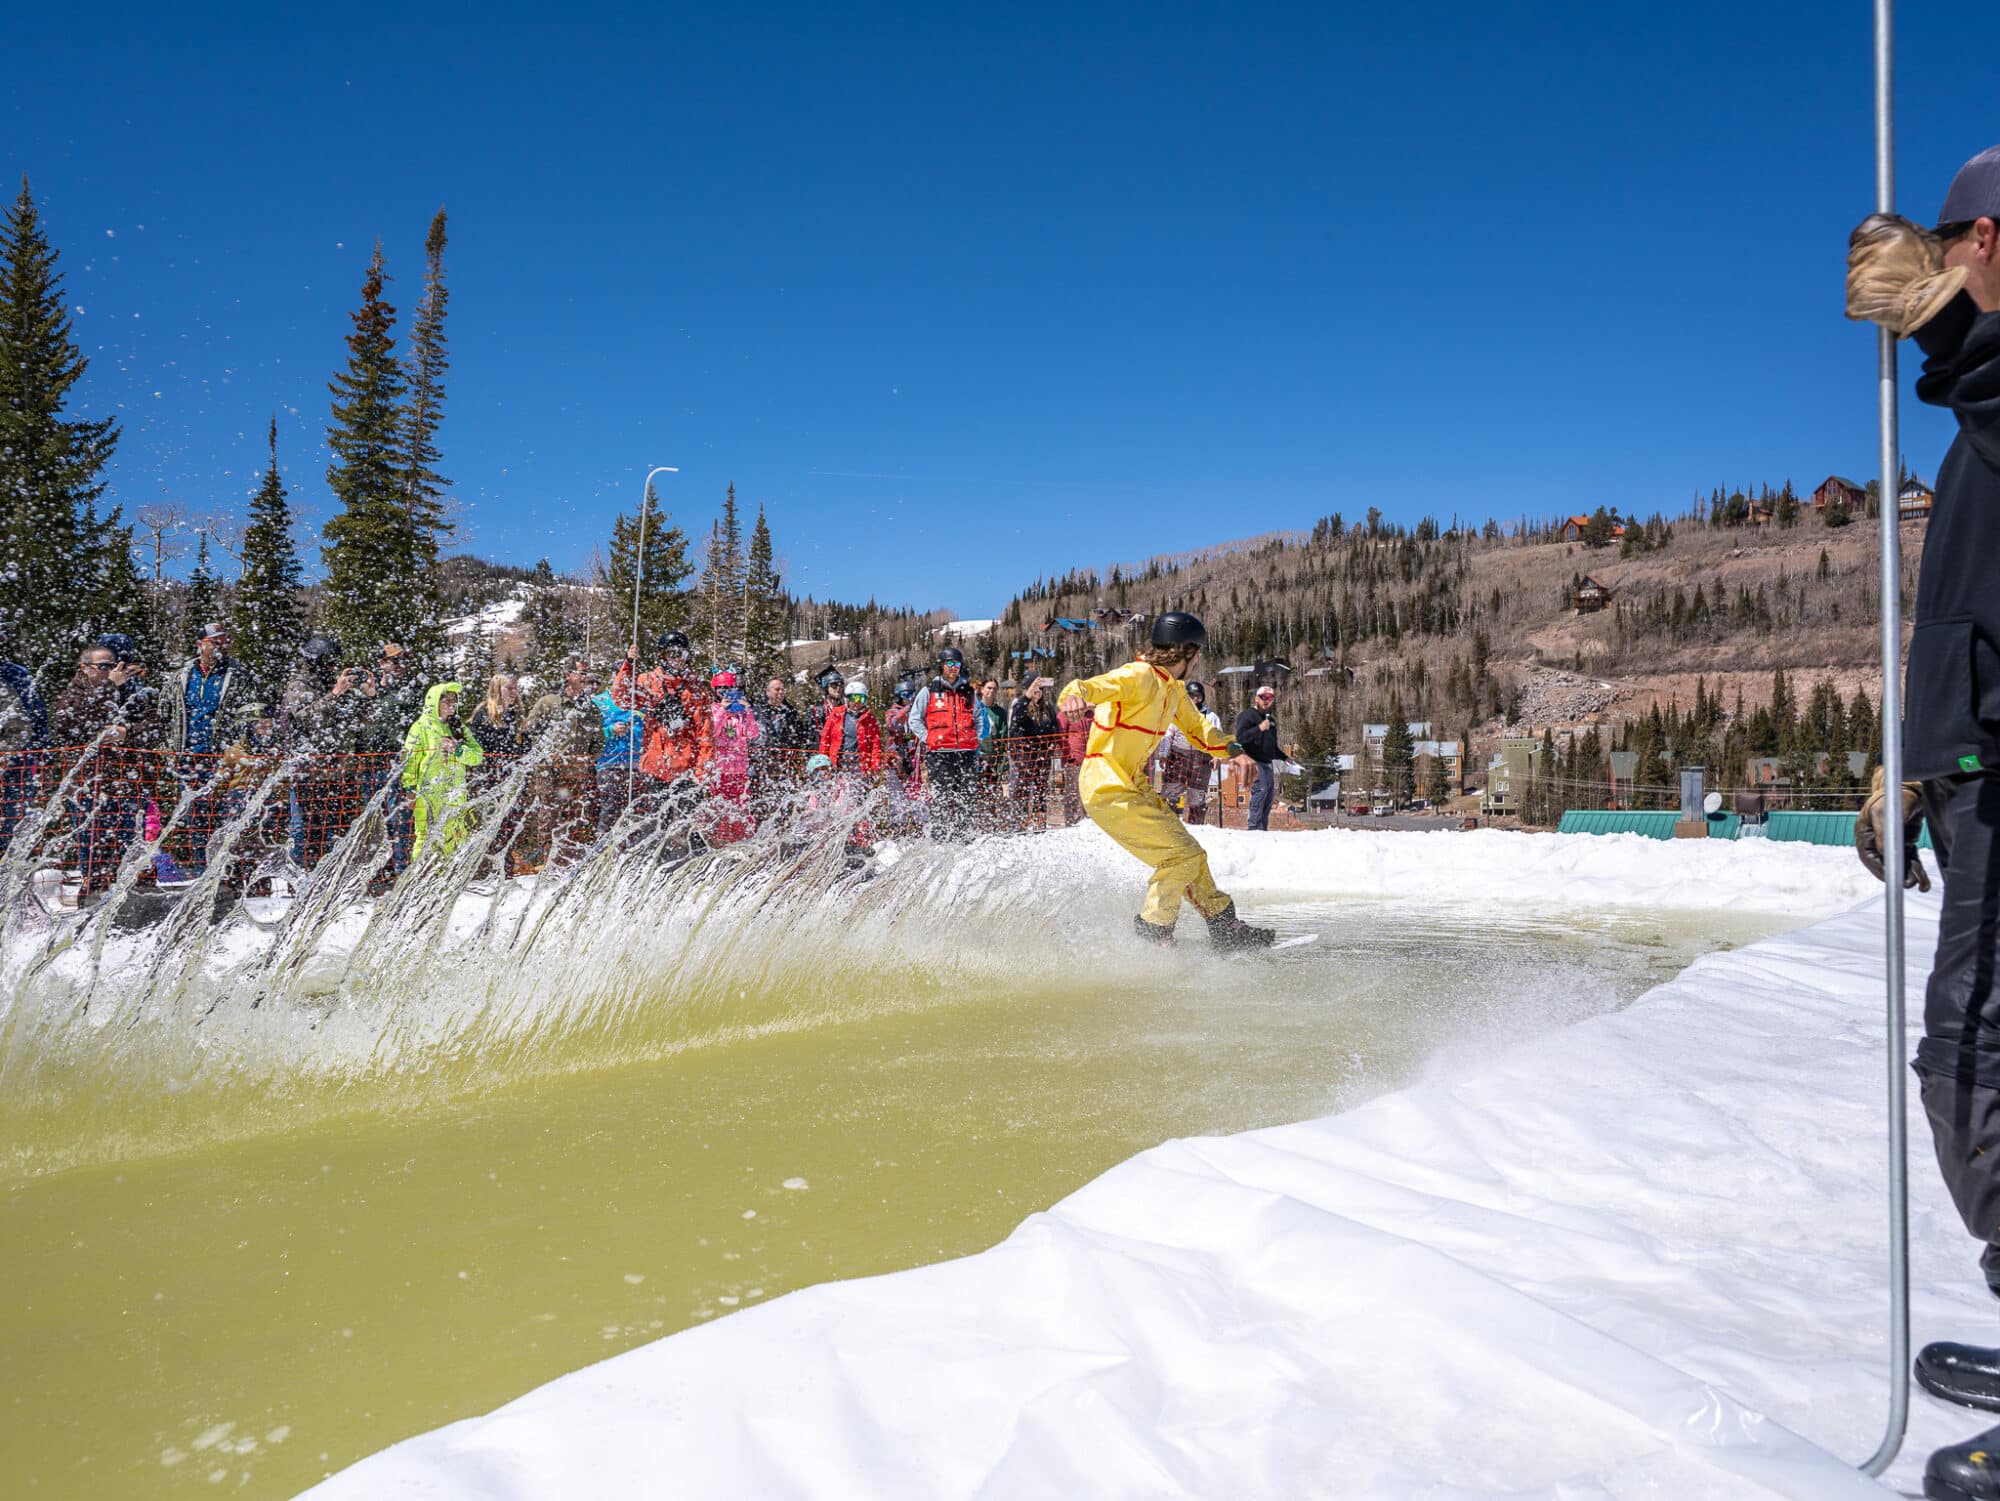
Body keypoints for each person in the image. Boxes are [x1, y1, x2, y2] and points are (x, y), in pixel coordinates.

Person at [1845, 148, 2000, 1500]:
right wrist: (1908, 765)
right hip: (1974, 774)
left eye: (1952, 240)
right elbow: (1960, 626)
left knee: (1974, 1072)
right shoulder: (1974, 439)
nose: (1944, 254)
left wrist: (1945, 328)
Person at [1058, 612, 1272, 949]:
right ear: (1184, 651)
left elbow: (1200, 729)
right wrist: (1073, 696)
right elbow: (1094, 686)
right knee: (1180, 856)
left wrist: (1234, 751)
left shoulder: (1171, 690)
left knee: (1192, 856)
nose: (1198, 660)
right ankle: (1153, 931)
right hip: (1106, 787)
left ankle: (1223, 926)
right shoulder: (1139, 675)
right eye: (1197, 653)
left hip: (1131, 786)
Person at [51, 638, 159, 887]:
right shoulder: (70, 695)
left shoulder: (131, 694)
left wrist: (126, 732)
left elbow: (154, 728)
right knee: (93, 848)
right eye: (103, 666)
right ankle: (94, 893)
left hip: (127, 784)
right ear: (85, 668)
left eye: (113, 665)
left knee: (130, 845)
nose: (111, 670)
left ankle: (135, 893)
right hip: (87, 786)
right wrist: (110, 686)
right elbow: (72, 723)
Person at [279, 635, 376, 867]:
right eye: (329, 662)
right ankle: (308, 878)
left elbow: (363, 721)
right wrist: (334, 694)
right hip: (311, 774)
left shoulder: (334, 684)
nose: (334, 667)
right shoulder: (299, 685)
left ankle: (339, 875)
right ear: (316, 660)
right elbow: (306, 718)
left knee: (343, 830)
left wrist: (369, 695)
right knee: (313, 833)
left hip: (340, 771)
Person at [611, 630, 714, 838]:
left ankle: (695, 858)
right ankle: (654, 857)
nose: (677, 659)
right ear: (663, 655)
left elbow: (705, 733)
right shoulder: (649, 681)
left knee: (692, 823)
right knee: (658, 822)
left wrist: (703, 771)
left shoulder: (695, 688)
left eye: (682, 654)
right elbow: (621, 698)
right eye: (672, 654)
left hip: (687, 768)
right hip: (656, 765)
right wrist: (629, 664)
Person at [162, 622, 243, 872]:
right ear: (200, 644)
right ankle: (201, 870)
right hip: (187, 759)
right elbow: (164, 712)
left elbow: (249, 711)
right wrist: (167, 747)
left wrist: (240, 744)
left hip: (224, 758)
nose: (220, 645)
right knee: (195, 818)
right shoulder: (180, 677)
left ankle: (228, 872)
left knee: (229, 816)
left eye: (224, 641)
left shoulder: (238, 675)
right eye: (214, 641)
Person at [401, 682, 485, 857]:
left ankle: (447, 879)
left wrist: (459, 750)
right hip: (427, 794)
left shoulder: (457, 726)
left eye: (454, 700)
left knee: (456, 836)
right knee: (426, 838)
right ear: (434, 702)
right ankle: (419, 878)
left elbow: (477, 756)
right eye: (446, 700)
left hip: (454, 793)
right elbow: (409, 760)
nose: (451, 704)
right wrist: (409, 788)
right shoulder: (421, 727)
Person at [908, 646, 979, 841]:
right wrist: (928, 738)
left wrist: (975, 739)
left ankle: (964, 836)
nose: (954, 668)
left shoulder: (968, 692)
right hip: (940, 754)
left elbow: (979, 718)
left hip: (965, 753)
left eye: (957, 664)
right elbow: (914, 719)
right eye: (950, 664)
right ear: (942, 666)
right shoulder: (929, 691)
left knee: (967, 797)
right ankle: (939, 837)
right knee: (943, 797)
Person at [0, 617, 50, 851]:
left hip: (16, 764)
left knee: (14, 825)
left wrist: (43, 756)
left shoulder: (17, 674)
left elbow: (35, 719)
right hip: (15, 760)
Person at [1233, 683, 1298, 832]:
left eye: (1269, 698)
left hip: (1267, 762)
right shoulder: (1247, 715)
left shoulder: (1271, 720)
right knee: (1260, 791)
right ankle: (1254, 826)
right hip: (1252, 760)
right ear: (1256, 698)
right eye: (1263, 697)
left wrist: (1284, 757)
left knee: (1268, 796)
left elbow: (1271, 746)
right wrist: (1259, 728)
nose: (1266, 700)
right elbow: (1240, 738)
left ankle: (1262, 827)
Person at [707, 670, 761, 844]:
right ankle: (720, 840)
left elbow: (753, 733)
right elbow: (711, 733)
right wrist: (723, 709)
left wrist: (748, 710)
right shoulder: (713, 709)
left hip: (739, 769)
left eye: (729, 688)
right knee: (721, 808)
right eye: (721, 689)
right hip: (720, 770)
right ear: (715, 690)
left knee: (741, 807)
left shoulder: (741, 713)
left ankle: (742, 839)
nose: (725, 693)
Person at [1160, 679, 1222, 825]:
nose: (1195, 700)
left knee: (1197, 795)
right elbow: (1167, 735)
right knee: (1172, 792)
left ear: (1202, 698)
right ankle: (1170, 823)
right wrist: (1163, 754)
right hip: (1178, 755)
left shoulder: (1211, 717)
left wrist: (1217, 757)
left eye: (1198, 696)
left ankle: (1196, 826)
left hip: (1201, 758)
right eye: (1191, 696)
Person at [591, 677, 645, 835]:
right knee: (610, 808)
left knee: (637, 810)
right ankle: (601, 845)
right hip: (609, 764)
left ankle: (634, 848)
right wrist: (610, 730)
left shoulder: (641, 701)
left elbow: (651, 729)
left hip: (636, 765)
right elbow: (589, 732)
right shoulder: (598, 701)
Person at [1006, 677, 1060, 830]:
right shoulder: (1019, 704)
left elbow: (1054, 728)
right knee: (1021, 791)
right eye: (1035, 689)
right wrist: (1027, 696)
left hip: (1042, 757)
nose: (1039, 693)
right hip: (1023, 757)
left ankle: (1039, 822)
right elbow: (1017, 717)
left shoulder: (1047, 708)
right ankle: (1019, 824)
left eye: (1041, 689)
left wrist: (1051, 744)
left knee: (1040, 790)